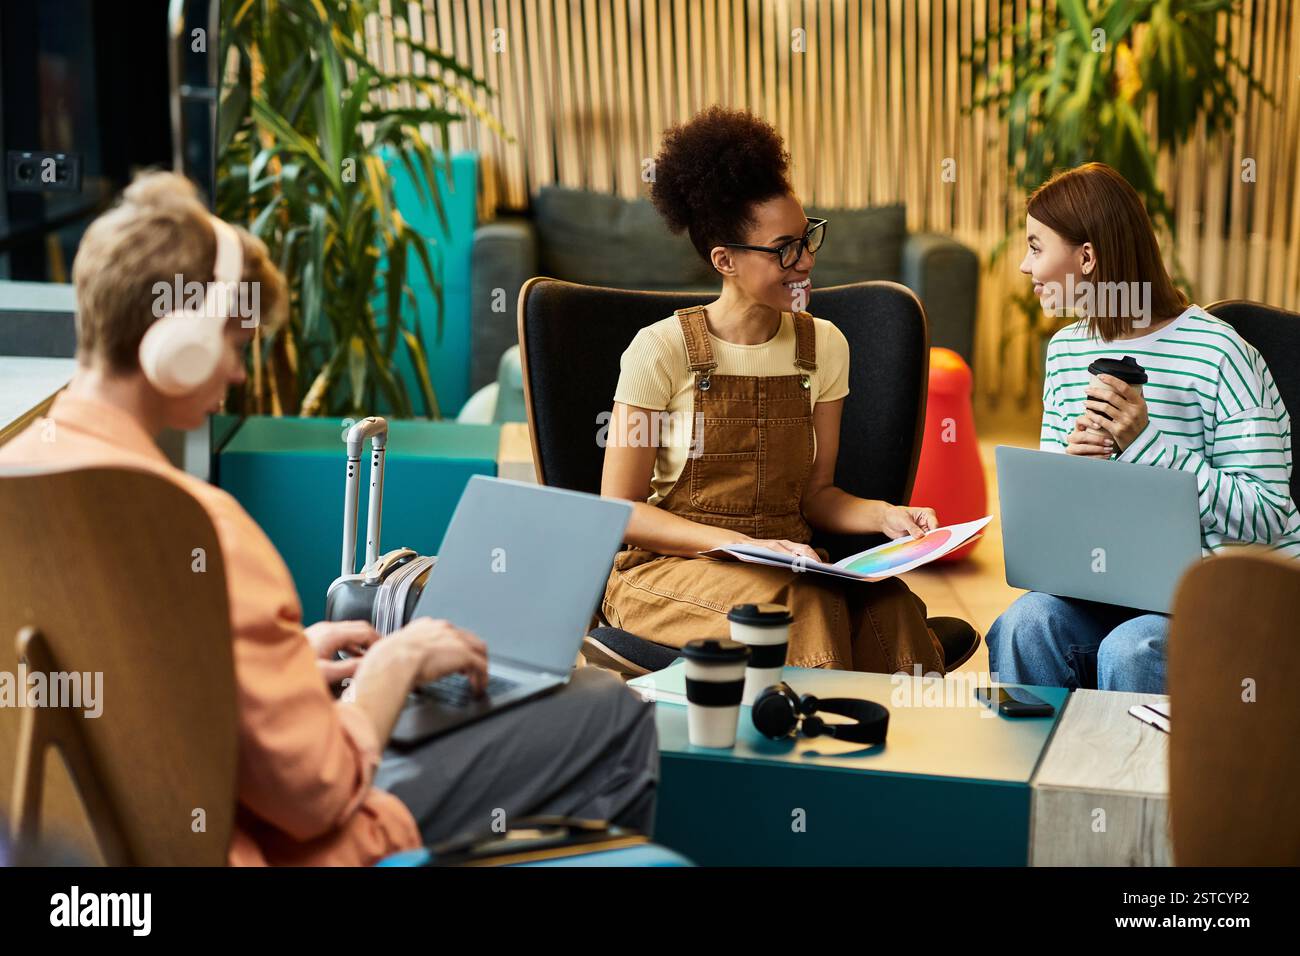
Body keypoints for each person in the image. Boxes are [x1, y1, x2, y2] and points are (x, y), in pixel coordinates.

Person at [0, 171, 658, 865]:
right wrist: (394, 666)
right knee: (604, 707)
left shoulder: (19, 483)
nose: (238, 374)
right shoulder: (198, 529)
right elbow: (316, 792)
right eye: (236, 342)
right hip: (275, 846)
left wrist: (263, 670)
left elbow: (115, 677)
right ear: (179, 341)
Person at [600, 107, 968, 675]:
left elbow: (817, 496)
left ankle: (900, 761)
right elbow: (619, 511)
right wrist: (733, 544)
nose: (807, 262)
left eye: (807, 239)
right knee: (804, 607)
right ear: (725, 260)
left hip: (789, 565)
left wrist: (883, 515)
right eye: (784, 249)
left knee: (888, 607)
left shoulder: (824, 346)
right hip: (665, 573)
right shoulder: (660, 350)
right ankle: (810, 758)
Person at [988, 162, 1300, 693]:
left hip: (1221, 596)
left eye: (1037, 247)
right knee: (1024, 626)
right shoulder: (1066, 352)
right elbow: (1055, 534)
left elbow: (1269, 517)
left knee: (1132, 650)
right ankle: (1033, 777)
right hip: (1113, 588)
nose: (1024, 265)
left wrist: (1149, 447)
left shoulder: (1220, 353)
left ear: (1086, 257)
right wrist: (1071, 473)